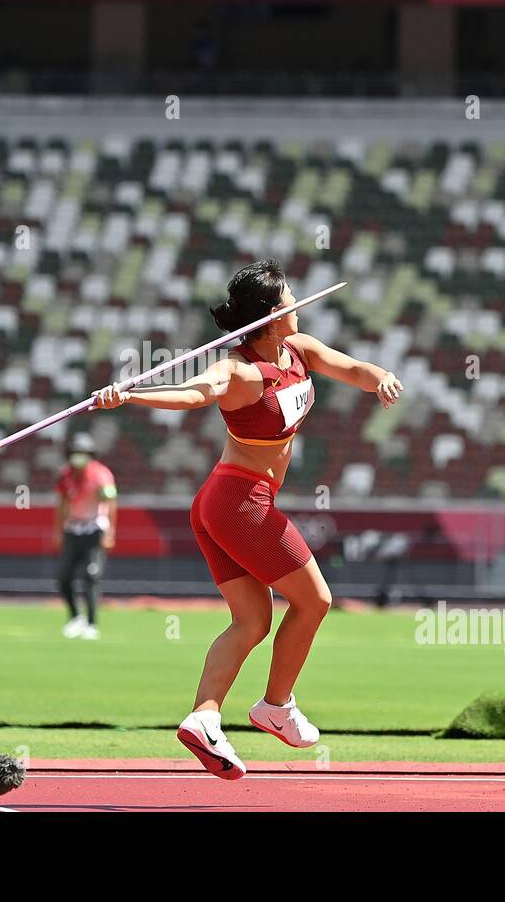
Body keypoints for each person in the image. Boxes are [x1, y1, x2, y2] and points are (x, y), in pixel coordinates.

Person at [91, 259, 403, 780]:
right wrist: (128, 394)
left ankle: (204, 717)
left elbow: (349, 368)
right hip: (240, 504)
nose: (299, 305)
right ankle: (275, 706)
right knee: (315, 600)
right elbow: (195, 393)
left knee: (253, 620)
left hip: (221, 502)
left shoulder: (297, 351)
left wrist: (382, 379)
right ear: (268, 316)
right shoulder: (237, 371)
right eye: (289, 300)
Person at [53, 432, 117, 641]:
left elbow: (110, 502)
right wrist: (58, 530)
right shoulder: (65, 475)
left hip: (94, 529)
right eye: (75, 453)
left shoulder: (100, 474)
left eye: (83, 453)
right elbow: (62, 504)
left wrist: (110, 532)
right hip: (73, 529)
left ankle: (91, 623)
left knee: (91, 576)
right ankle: (75, 618)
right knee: (64, 577)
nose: (78, 457)